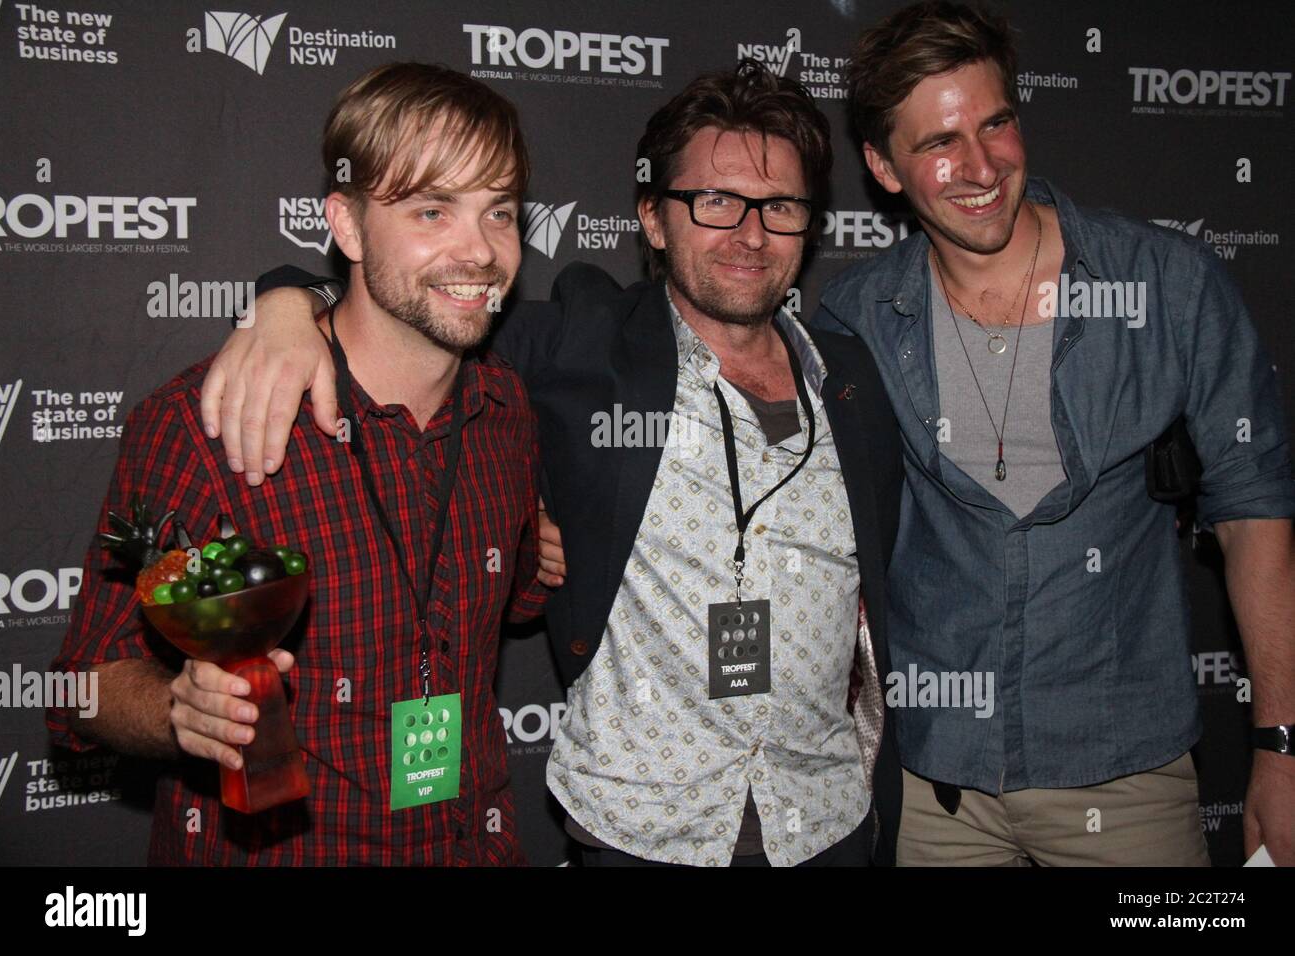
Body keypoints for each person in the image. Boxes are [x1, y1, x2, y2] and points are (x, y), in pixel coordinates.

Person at [197, 60, 905, 866]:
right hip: (642, 832)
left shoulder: (853, 380)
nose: (750, 233)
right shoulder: (584, 343)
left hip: (828, 820)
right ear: (653, 218)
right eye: (715, 201)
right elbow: (416, 302)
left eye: (780, 206)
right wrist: (287, 302)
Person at [810, 1, 1295, 865]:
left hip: (1127, 774)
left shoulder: (1166, 286)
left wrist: (1281, 746)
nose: (981, 165)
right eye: (940, 142)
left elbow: (1254, 513)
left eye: (995, 123)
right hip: (934, 788)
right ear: (883, 167)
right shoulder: (856, 318)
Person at [47, 62, 547, 865]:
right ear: (346, 227)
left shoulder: (507, 411)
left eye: (500, 212)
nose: (480, 250)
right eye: (432, 210)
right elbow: (82, 688)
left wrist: (550, 545)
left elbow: (514, 598)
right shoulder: (208, 422)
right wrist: (179, 709)